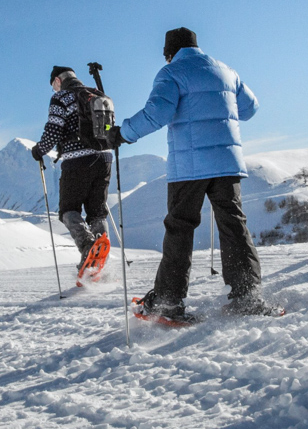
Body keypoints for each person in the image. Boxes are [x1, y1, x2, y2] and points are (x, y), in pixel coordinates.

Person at [104, 27, 273, 322]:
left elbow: (156, 114)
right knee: (234, 225)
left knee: (180, 228)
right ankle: (246, 295)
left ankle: (169, 302)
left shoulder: (172, 73)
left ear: (170, 53)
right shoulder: (226, 71)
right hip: (227, 163)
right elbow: (250, 109)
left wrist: (122, 134)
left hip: (190, 166)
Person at [30, 66, 110, 269]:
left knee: (68, 210)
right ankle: (100, 254)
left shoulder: (62, 97)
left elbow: (54, 129)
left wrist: (39, 150)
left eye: (53, 86)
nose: (54, 90)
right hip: (104, 159)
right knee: (97, 212)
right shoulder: (96, 93)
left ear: (58, 80)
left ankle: (87, 247)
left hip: (77, 160)